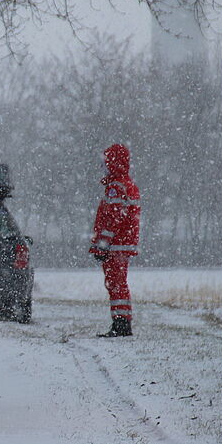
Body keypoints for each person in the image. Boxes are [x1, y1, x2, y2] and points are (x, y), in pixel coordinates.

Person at [89, 143, 140, 337]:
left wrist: (102, 245)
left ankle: (121, 323)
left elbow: (112, 219)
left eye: (105, 163)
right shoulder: (127, 185)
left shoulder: (116, 187)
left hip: (116, 244)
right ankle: (123, 320)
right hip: (123, 242)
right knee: (119, 282)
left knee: (115, 282)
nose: (102, 167)